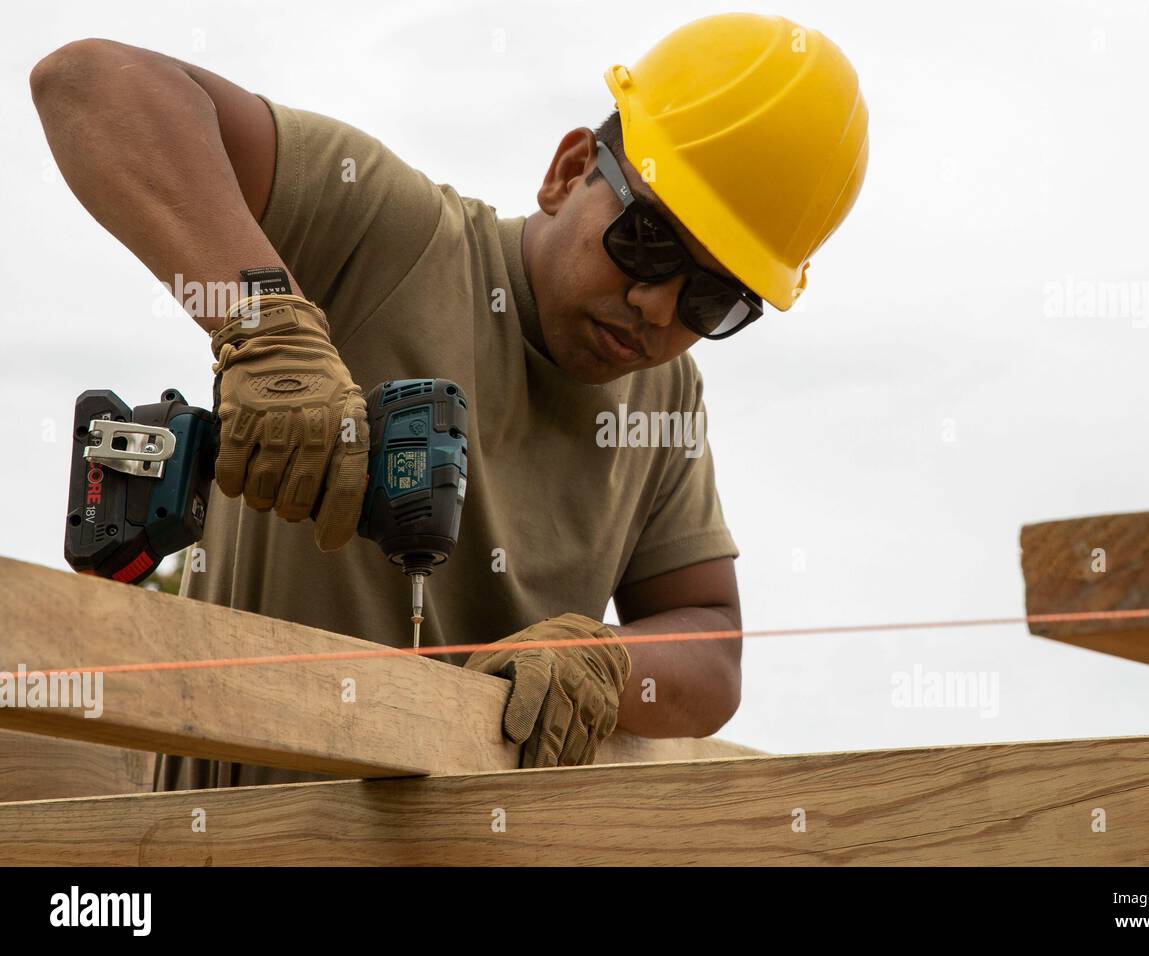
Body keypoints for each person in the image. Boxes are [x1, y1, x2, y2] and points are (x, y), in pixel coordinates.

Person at [29, 12, 868, 782]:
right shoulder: (396, 237)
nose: (657, 306)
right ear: (571, 170)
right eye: (644, 241)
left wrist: (606, 664)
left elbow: (711, 643)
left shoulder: (665, 397)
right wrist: (263, 322)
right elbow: (89, 84)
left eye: (710, 302)